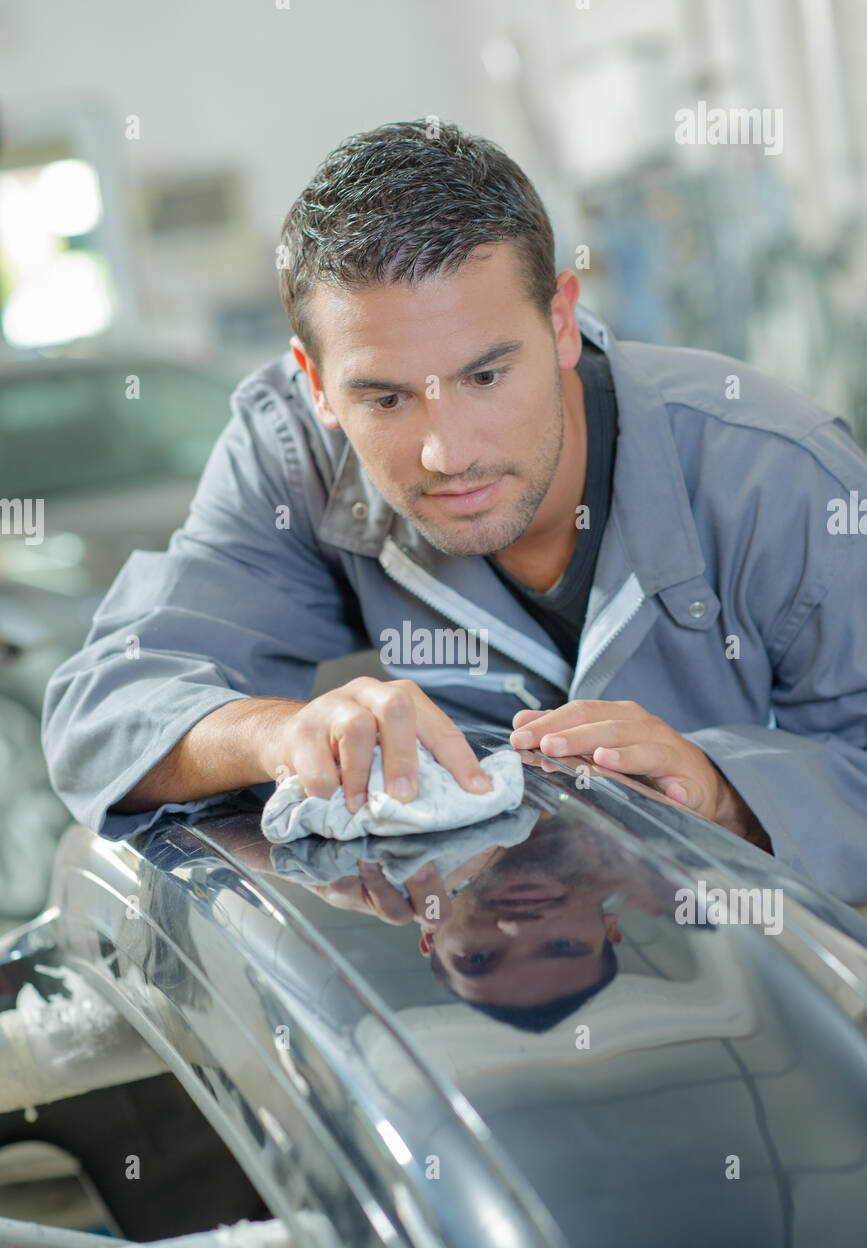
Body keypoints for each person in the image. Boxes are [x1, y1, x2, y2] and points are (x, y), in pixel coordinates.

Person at [42, 119, 867, 903]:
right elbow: (101, 712)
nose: (449, 452)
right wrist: (279, 733)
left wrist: (725, 792)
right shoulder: (291, 458)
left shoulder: (776, 473)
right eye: (386, 397)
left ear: (560, 321)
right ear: (314, 381)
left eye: (485, 376)